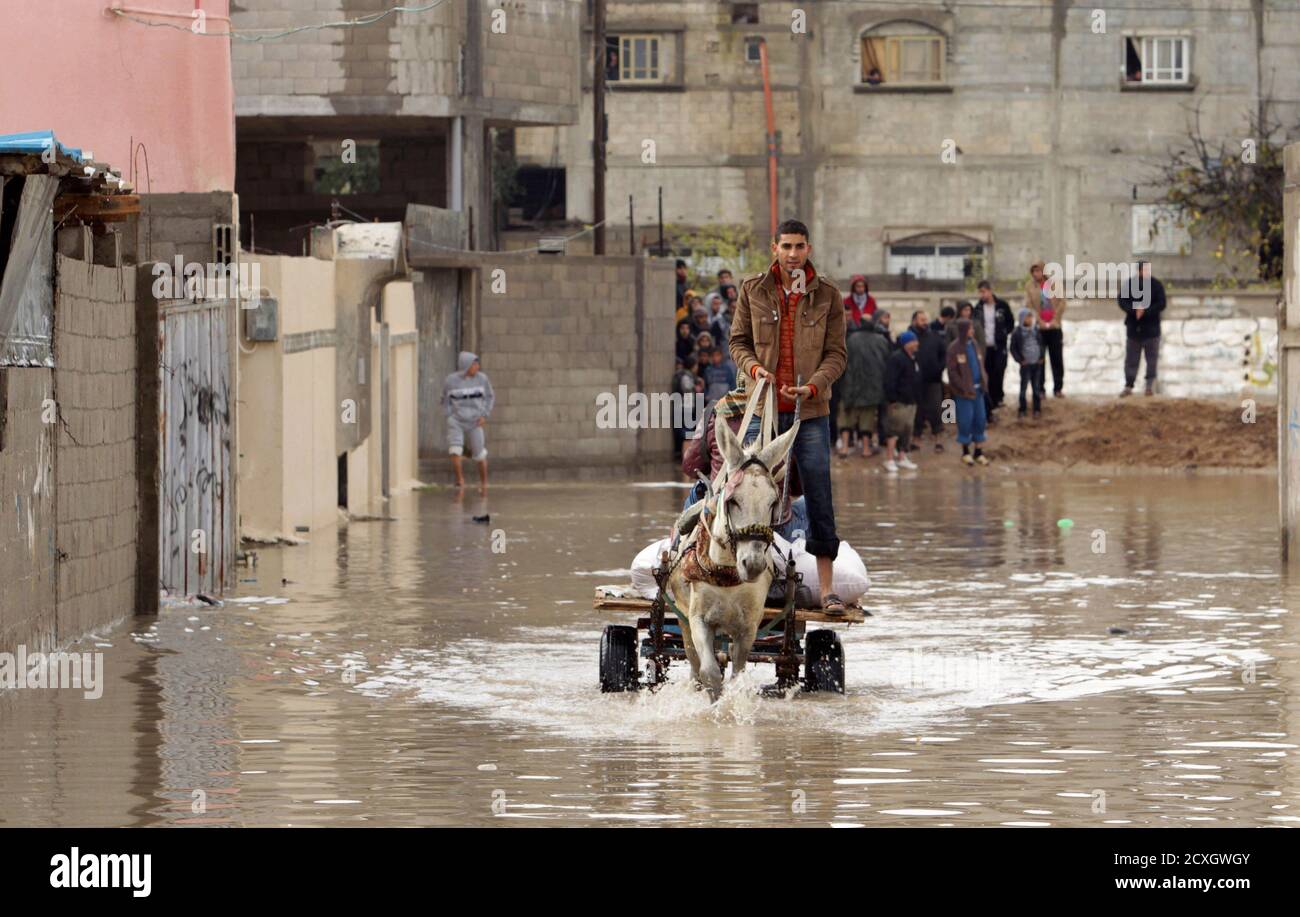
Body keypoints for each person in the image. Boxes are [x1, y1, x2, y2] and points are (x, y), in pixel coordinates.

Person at [730, 218, 848, 613]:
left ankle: (827, 589)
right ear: (774, 248)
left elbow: (837, 355)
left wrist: (813, 385)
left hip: (810, 411)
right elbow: (738, 342)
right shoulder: (753, 290)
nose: (793, 254)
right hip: (762, 410)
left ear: (808, 250)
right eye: (786, 246)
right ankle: (740, 575)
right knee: (748, 491)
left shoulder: (828, 295)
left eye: (800, 246)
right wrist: (754, 370)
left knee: (818, 494)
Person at [837, 311, 891, 458]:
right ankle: (866, 449)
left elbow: (842, 362)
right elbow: (887, 363)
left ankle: (845, 448)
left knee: (846, 417)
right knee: (867, 420)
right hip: (872, 387)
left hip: (851, 385)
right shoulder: (881, 340)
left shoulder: (850, 339)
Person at [443, 351, 495, 493]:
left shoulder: (482, 379)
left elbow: (490, 397)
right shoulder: (450, 381)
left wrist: (484, 415)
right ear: (466, 366)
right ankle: (460, 480)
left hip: (475, 421)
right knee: (455, 449)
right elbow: (445, 399)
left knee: (479, 454)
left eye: (477, 364)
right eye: (474, 364)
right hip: (456, 420)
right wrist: (449, 415)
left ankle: (484, 484)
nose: (477, 367)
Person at [946, 318, 990, 466]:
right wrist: (963, 386)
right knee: (965, 420)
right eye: (970, 328)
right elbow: (952, 372)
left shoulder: (975, 344)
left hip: (978, 390)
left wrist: (984, 379)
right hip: (964, 393)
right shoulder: (954, 348)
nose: (972, 331)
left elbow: (980, 364)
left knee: (980, 419)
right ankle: (965, 452)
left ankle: (978, 452)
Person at [1118, 260, 1166, 397]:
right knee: (1131, 360)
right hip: (1134, 329)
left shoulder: (1156, 285)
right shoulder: (1130, 285)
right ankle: (1128, 385)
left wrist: (1146, 310)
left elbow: (1162, 303)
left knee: (1151, 359)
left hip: (1151, 330)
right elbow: (1122, 301)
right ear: (1138, 271)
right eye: (1143, 270)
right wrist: (1134, 310)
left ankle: (1149, 386)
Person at [882, 330, 922, 473]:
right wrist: (892, 399)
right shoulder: (896, 358)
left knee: (907, 430)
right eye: (914, 341)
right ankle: (889, 459)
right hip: (898, 401)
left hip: (911, 401)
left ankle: (902, 457)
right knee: (894, 430)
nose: (917, 343)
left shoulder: (913, 358)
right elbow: (889, 380)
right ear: (907, 343)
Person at [1025, 261, 1066, 397]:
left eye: (1039, 270)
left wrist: (1055, 319)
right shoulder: (1029, 287)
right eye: (1034, 271)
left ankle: (1058, 388)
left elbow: (1062, 302)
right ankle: (1040, 389)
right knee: (1039, 359)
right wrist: (1039, 320)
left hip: (1054, 327)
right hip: (1039, 329)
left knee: (1057, 359)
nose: (1037, 274)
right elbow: (1029, 305)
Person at [973, 280, 1015, 411]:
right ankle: (989, 399)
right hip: (984, 346)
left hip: (999, 344)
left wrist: (1003, 333)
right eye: (980, 292)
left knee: (999, 370)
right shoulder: (978, 308)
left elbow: (1010, 322)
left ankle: (998, 397)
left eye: (983, 292)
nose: (982, 295)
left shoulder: (1002, 305)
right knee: (987, 371)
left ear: (990, 291)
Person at [911, 309, 946, 453]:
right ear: (914, 321)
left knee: (937, 411)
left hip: (934, 381)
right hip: (915, 382)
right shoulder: (909, 337)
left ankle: (939, 441)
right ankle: (916, 440)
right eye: (921, 320)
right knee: (917, 412)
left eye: (926, 320)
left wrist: (938, 368)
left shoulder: (935, 337)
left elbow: (944, 355)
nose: (925, 323)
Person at [1009, 308, 1045, 418]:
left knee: (1036, 388)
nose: (1030, 319)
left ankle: (1037, 409)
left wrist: (1042, 356)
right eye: (1027, 317)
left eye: (1031, 317)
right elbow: (1013, 349)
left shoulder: (1036, 330)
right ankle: (1022, 409)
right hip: (1026, 366)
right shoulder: (1017, 333)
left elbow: (1041, 344)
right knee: (1023, 388)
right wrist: (1020, 360)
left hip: (1037, 364)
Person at [671, 353, 700, 459]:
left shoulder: (681, 374)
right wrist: (696, 387)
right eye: (696, 365)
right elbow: (687, 388)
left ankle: (686, 459)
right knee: (687, 436)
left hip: (681, 407)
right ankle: (686, 460)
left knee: (686, 436)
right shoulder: (686, 376)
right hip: (685, 409)